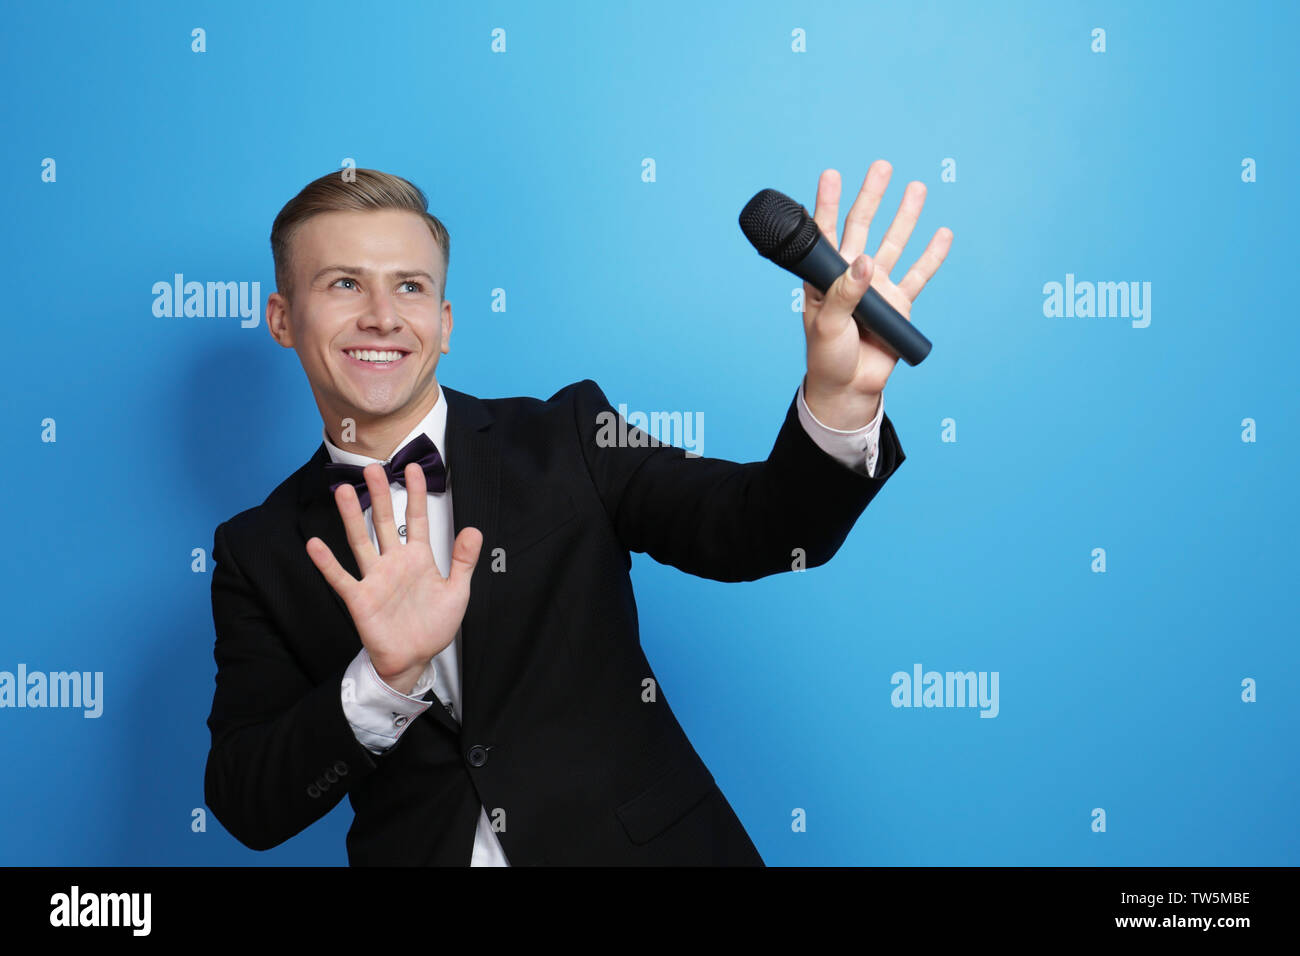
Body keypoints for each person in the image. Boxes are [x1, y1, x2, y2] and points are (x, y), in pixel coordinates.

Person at [203, 165, 952, 865]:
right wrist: (382, 680)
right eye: (342, 284)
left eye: (410, 288)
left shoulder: (571, 435)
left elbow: (766, 529)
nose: (381, 317)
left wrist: (841, 399)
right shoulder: (256, 550)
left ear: (446, 319)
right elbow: (248, 803)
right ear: (281, 317)